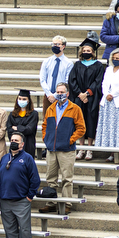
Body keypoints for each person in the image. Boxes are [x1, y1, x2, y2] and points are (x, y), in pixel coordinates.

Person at [40, 81, 85, 212]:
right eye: (58, 92)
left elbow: (81, 128)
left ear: (67, 93)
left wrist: (69, 140)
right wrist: (46, 139)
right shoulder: (51, 108)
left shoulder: (75, 108)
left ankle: (67, 204)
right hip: (52, 149)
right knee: (51, 178)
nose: (60, 94)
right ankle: (51, 202)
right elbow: (44, 125)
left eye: (62, 92)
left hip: (67, 150)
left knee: (67, 178)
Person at [0, 132, 41, 238]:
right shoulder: (4, 158)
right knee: (10, 230)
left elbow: (35, 179)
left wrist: (29, 196)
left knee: (24, 229)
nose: (13, 142)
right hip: (5, 200)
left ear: (22, 144)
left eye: (16, 140)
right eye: (12, 140)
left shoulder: (27, 158)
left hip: (21, 200)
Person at [67, 38, 105, 161]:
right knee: (79, 122)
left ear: (93, 52)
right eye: (84, 50)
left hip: (92, 98)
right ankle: (81, 148)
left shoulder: (98, 65)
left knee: (91, 121)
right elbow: (72, 81)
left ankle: (89, 149)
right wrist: (80, 94)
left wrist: (87, 93)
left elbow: (98, 82)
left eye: (88, 50)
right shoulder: (77, 65)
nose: (86, 52)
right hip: (79, 98)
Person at [94, 48, 119, 159]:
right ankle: (110, 151)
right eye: (114, 58)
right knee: (109, 126)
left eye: (117, 58)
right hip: (107, 102)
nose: (115, 60)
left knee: (118, 127)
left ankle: (118, 152)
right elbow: (104, 84)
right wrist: (107, 94)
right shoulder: (108, 69)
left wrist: (112, 94)